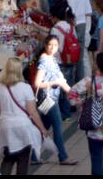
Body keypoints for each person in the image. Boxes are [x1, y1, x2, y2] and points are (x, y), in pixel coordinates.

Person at [0, 56, 48, 175]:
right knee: (23, 161)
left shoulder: (0, 88)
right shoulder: (26, 88)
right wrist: (42, 128)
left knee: (8, 158)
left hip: (6, 127)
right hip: (23, 127)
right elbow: (32, 112)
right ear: (19, 70)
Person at [32, 35, 78, 165]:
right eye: (50, 45)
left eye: (55, 45)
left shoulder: (52, 59)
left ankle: (34, 157)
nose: (53, 47)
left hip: (52, 99)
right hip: (48, 99)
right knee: (58, 126)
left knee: (44, 127)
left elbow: (62, 82)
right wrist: (53, 83)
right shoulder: (44, 61)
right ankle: (63, 157)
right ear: (45, 45)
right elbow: (37, 83)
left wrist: (74, 94)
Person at [62, 0, 93, 84]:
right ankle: (82, 81)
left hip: (73, 26)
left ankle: (75, 81)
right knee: (80, 56)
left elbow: (68, 13)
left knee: (71, 55)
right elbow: (88, 12)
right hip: (83, 25)